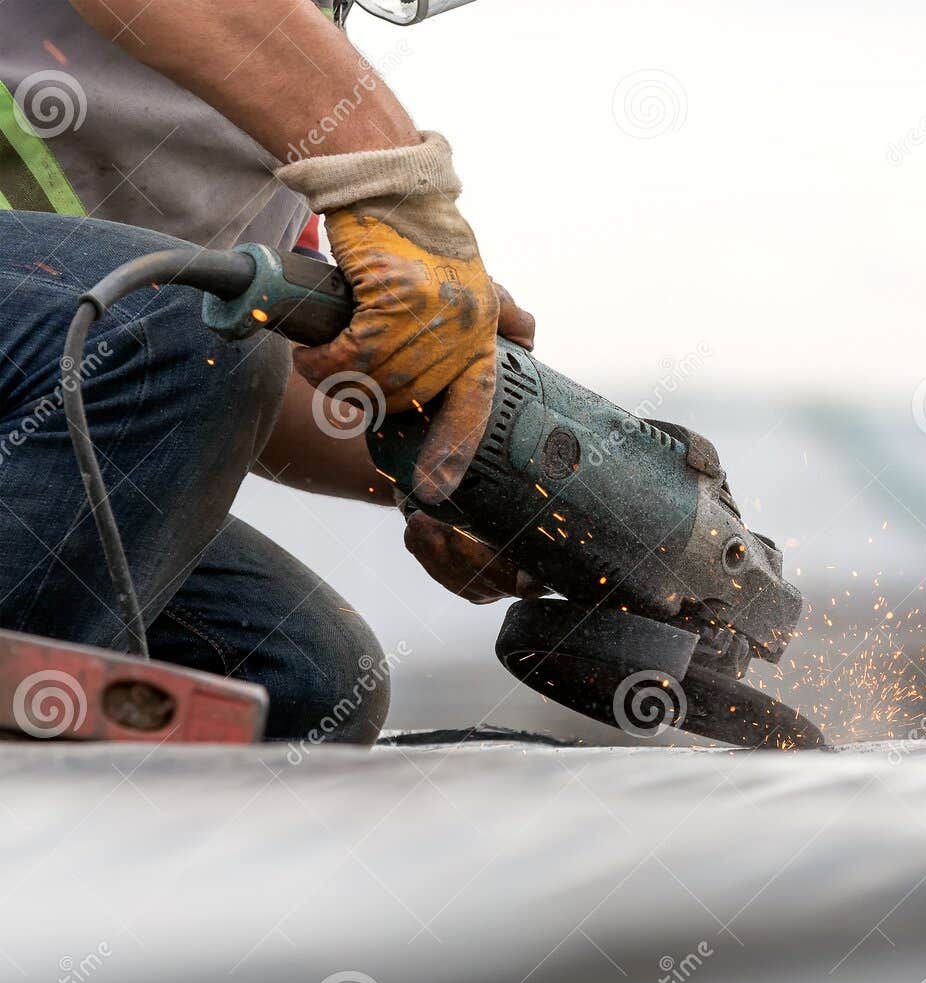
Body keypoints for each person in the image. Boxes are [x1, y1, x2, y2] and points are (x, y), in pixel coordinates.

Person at [0, 0, 533, 743]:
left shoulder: (275, 93)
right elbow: (158, 336)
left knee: (301, 677)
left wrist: (485, 478)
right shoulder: (288, 74)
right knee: (166, 319)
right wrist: (392, 178)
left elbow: (225, 367)